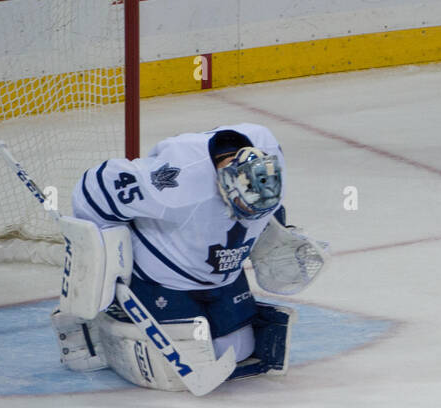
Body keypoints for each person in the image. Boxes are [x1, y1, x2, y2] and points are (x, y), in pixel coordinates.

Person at [52, 123, 329, 393]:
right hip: (160, 277)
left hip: (223, 274)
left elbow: (267, 207)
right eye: (244, 205)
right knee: (176, 369)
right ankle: (101, 326)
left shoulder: (267, 148)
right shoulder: (176, 183)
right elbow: (93, 190)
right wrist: (103, 257)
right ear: (227, 183)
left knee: (239, 349)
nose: (250, 215)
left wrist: (274, 228)